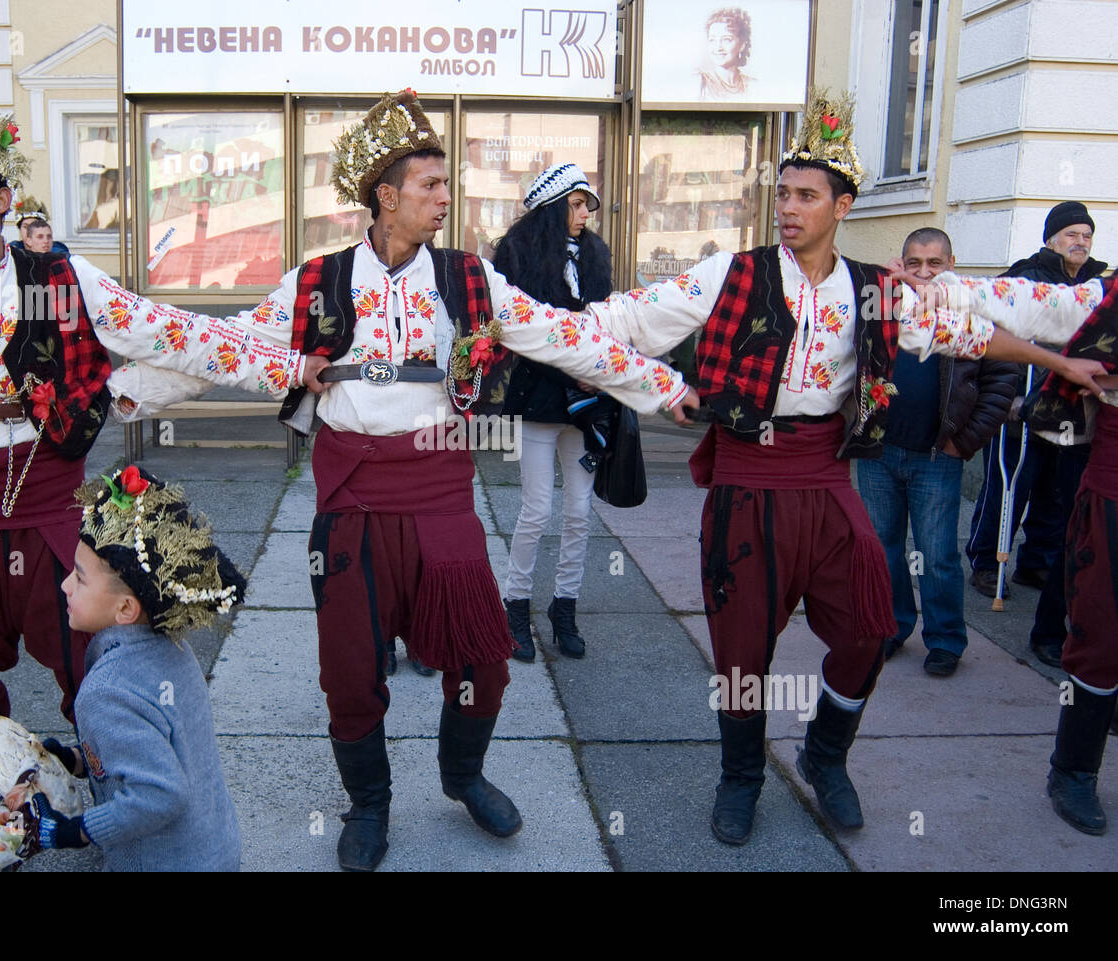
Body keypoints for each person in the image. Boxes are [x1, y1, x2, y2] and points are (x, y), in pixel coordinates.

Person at [118, 89, 692, 872]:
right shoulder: (316, 281)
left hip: (440, 490)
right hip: (351, 494)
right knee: (351, 670)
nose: (446, 198)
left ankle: (463, 776)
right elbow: (224, 344)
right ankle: (370, 804)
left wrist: (662, 386)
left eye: (446, 184)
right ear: (386, 197)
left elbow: (566, 337)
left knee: (483, 660)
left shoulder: (467, 277)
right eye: (431, 185)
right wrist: (127, 392)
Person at [561, 89, 1108, 846]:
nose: (788, 207)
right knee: (742, 648)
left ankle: (825, 752)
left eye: (806, 195)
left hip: (826, 474)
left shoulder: (876, 289)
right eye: (782, 193)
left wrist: (1056, 358)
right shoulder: (732, 273)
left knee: (869, 627)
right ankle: (742, 775)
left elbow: (969, 335)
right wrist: (548, 333)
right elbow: (621, 320)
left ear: (842, 205)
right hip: (747, 477)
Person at [0, 104, 315, 813]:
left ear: (1, 200)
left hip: (52, 512)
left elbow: (174, 335)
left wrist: (288, 365)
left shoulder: (61, 278)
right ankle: (3, 827)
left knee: (94, 672)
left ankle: (115, 810)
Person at [29, 464, 244, 870]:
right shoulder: (173, 650)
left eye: (79, 578)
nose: (64, 586)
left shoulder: (106, 690)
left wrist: (68, 831)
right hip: (212, 851)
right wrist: (71, 759)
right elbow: (151, 749)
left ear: (126, 609)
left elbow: (158, 795)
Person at [859, 228, 1019, 677]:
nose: (924, 273)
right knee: (882, 548)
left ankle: (946, 639)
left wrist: (961, 443)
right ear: (902, 263)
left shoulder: (974, 313)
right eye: (915, 264)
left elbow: (1001, 386)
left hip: (936, 457)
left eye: (935, 264)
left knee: (937, 554)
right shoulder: (885, 309)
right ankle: (892, 627)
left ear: (952, 263)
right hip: (880, 454)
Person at [965, 202, 1109, 648]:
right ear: (1050, 239)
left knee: (1056, 490)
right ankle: (989, 561)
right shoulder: (1026, 276)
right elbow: (999, 339)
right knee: (1011, 483)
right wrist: (1006, 396)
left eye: (1086, 234)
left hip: (1070, 412)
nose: (1080, 242)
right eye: (1071, 234)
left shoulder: (1098, 284)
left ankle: (1036, 558)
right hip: (1023, 405)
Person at [494, 163, 613, 661]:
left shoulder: (596, 254)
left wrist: (600, 366)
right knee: (537, 509)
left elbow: (604, 318)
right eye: (578, 203)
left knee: (580, 512)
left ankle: (565, 607)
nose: (586, 213)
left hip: (586, 404)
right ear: (553, 207)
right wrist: (575, 369)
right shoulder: (518, 254)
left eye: (588, 205)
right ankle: (515, 605)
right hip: (541, 398)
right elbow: (518, 333)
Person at [1019, 280, 1118, 834]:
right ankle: (1073, 771)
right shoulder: (1106, 299)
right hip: (1113, 498)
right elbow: (1025, 304)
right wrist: (944, 291)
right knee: (1100, 636)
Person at [697, 7, 756, 102]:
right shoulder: (699, 82)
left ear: (741, 45)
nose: (718, 48)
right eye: (712, 40)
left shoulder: (752, 85)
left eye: (726, 39)